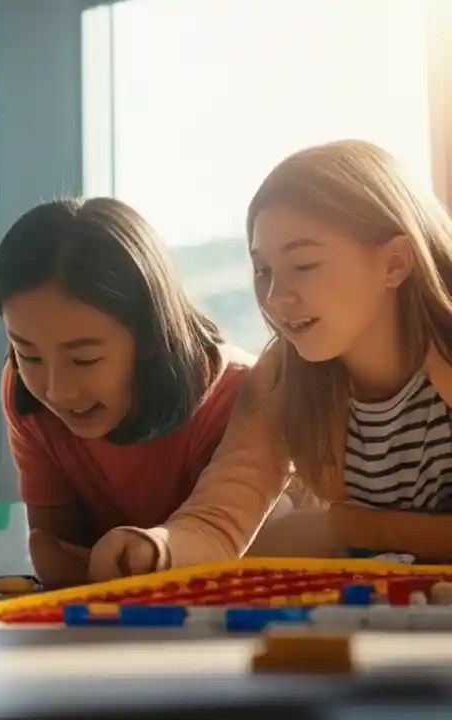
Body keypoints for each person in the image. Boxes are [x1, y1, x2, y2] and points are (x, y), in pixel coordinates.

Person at [90, 140, 452, 579]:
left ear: (394, 263)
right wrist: (155, 548)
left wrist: (347, 526)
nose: (276, 297)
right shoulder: (283, 378)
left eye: (304, 265)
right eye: (263, 270)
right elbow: (219, 522)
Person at [0, 198, 252, 588]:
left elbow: (231, 558)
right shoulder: (26, 393)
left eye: (84, 359)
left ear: (149, 335)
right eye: (28, 354)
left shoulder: (239, 396)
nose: (58, 391)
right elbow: (57, 555)